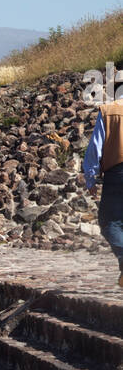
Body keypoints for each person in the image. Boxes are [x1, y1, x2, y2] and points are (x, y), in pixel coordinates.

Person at [83, 97, 123, 285]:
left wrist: (91, 177)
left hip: (118, 172)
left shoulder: (109, 111)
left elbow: (95, 147)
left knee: (110, 222)